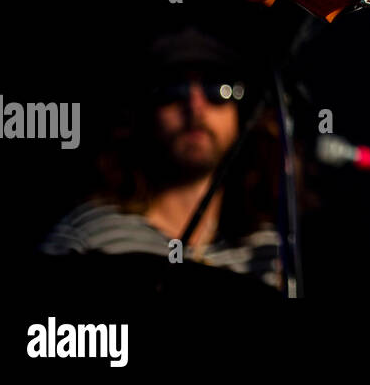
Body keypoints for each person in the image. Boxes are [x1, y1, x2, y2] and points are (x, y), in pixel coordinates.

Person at [39, 27, 283, 292]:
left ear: (242, 113)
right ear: (141, 113)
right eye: (172, 89)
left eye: (216, 88)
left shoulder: (268, 248)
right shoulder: (89, 236)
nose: (195, 106)